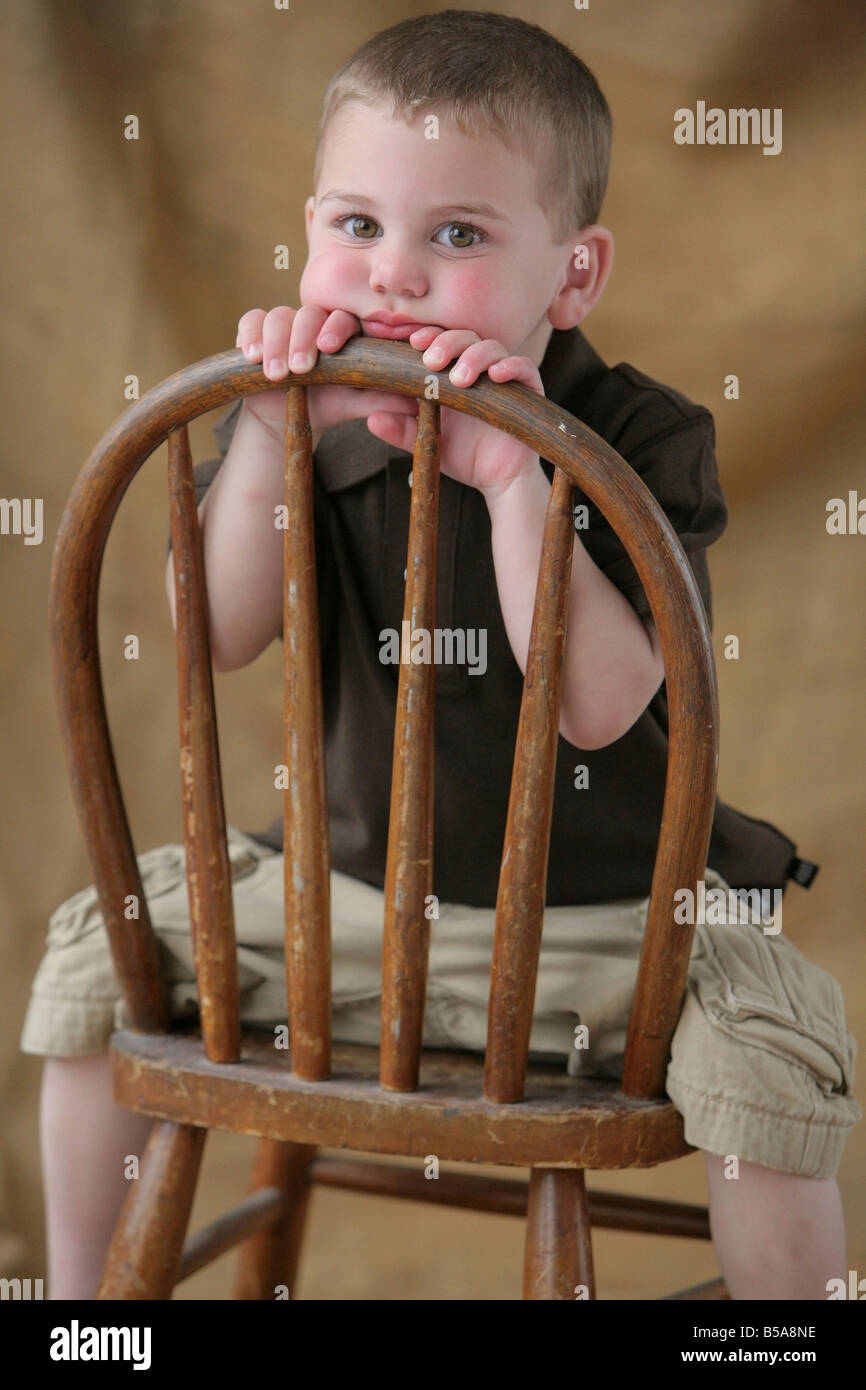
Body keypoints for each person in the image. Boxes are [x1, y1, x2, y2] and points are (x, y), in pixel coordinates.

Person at [22, 10, 859, 1300]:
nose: (392, 276)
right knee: (97, 962)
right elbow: (220, 637)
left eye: (456, 236)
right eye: (356, 227)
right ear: (310, 233)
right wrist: (264, 440)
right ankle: (88, 1318)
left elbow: (601, 711)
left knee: (775, 1072)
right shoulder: (301, 418)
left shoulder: (636, 433)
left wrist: (519, 473)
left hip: (613, 932)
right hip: (345, 914)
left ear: (572, 276)